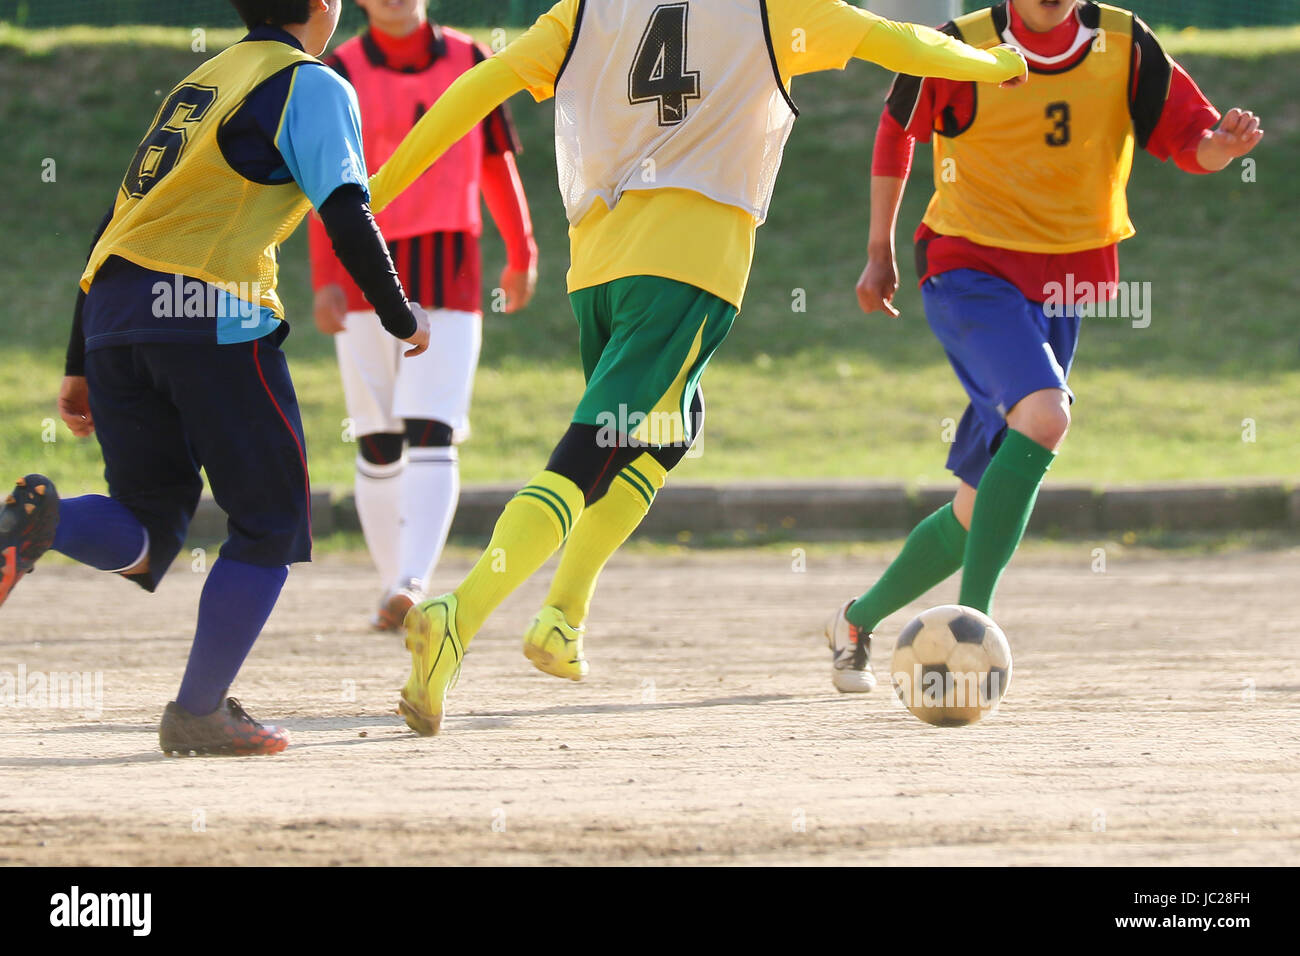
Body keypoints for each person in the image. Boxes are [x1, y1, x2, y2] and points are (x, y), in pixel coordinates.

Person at [364, 0, 1027, 736]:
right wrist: (995, 61)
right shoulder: (770, 10)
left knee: (665, 430)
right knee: (592, 453)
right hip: (687, 265)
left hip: (598, 271)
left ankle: (563, 617)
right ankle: (459, 616)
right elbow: (898, 40)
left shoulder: (583, 11)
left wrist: (376, 192)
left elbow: (477, 90)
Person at [0, 0, 430, 755]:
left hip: (115, 314)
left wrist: (79, 360)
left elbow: (115, 223)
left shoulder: (201, 82)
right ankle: (198, 712)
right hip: (211, 310)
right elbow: (346, 207)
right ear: (323, 6)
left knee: (148, 518)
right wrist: (401, 315)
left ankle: (41, 524)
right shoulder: (311, 82)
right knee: (268, 520)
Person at [825, 0, 1263, 692]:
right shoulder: (962, 46)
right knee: (1046, 415)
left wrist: (1225, 147)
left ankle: (855, 621)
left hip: (1064, 288)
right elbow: (896, 128)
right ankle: (972, 630)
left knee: (977, 506)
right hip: (967, 268)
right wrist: (878, 249)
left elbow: (1188, 140)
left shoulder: (1123, 43)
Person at [309, 0, 538, 632]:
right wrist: (326, 277)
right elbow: (321, 182)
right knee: (378, 438)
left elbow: (496, 163)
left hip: (450, 266)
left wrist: (521, 250)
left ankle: (412, 583)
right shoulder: (338, 70)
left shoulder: (472, 60)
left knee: (432, 427)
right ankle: (391, 586)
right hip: (364, 266)